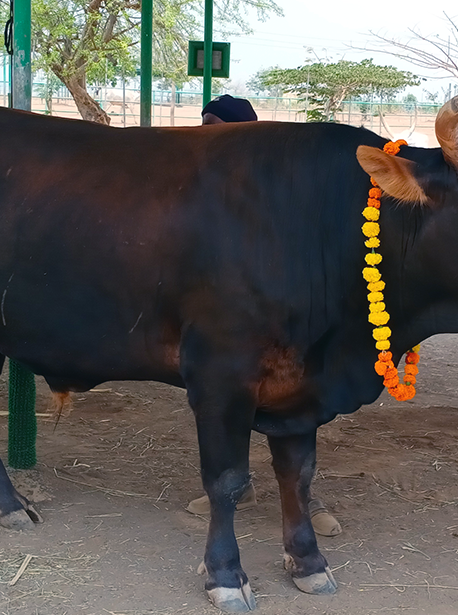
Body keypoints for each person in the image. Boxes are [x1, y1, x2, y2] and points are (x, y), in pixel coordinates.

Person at [187, 94, 342, 537]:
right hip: (229, 311)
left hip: (288, 314)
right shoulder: (202, 179)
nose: (205, 132)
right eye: (204, 123)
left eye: (215, 124)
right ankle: (243, 487)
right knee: (224, 400)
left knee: (293, 403)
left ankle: (308, 502)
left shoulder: (284, 178)